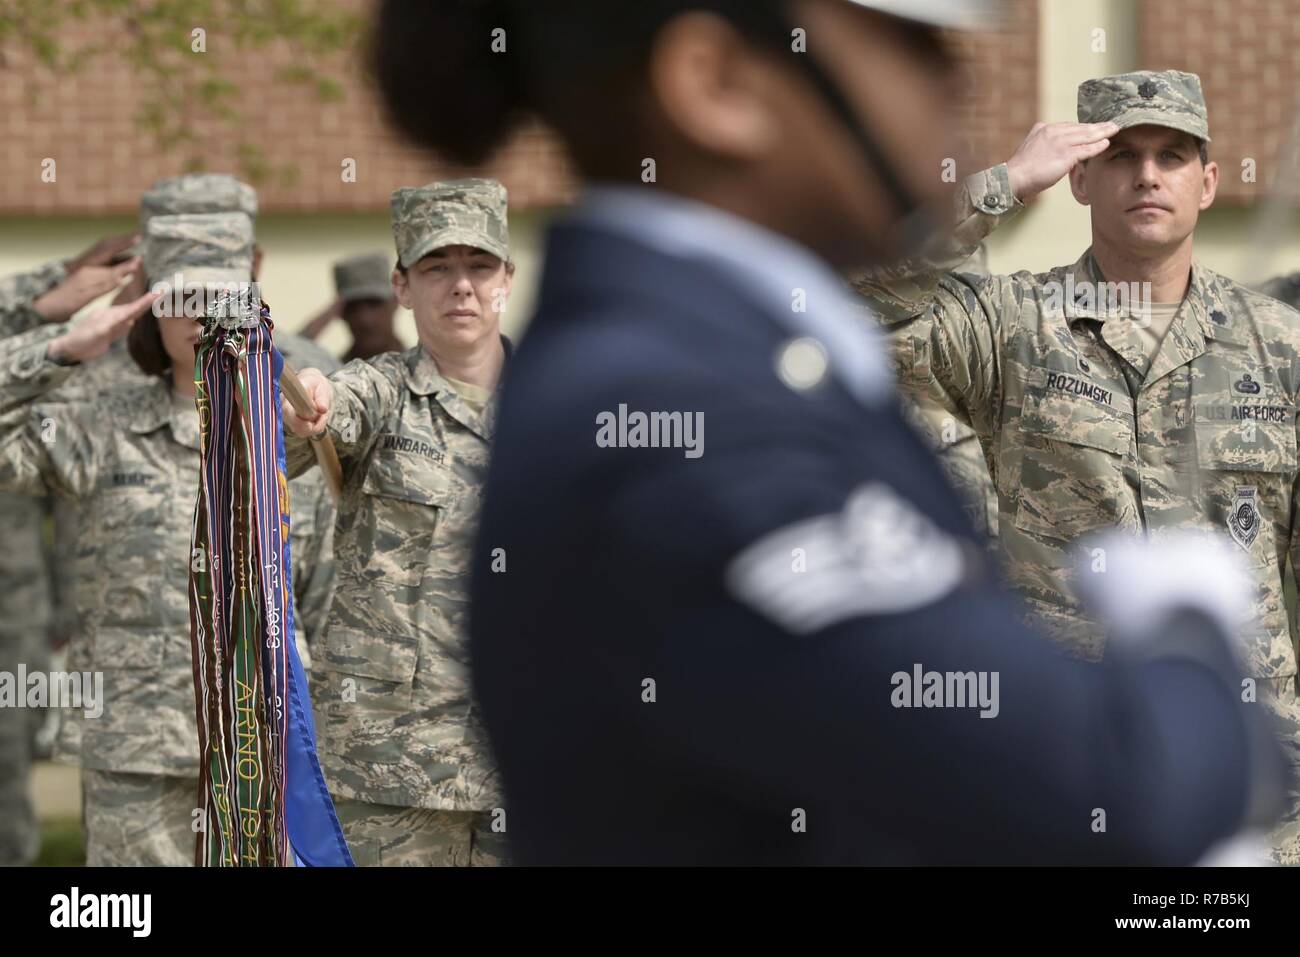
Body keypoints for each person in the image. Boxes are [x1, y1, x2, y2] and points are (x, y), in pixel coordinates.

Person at [362, 0, 1292, 865]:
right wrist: (1191, 636)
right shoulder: (691, 429)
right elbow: (1110, 783)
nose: (957, 80)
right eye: (915, 43)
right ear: (718, 83)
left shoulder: (710, 366)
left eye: (1174, 156)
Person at [853, 69, 1300, 862]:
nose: (1149, 175)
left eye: (1173, 154)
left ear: (1210, 180)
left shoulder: (1279, 343)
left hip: (1256, 790)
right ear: (1081, 177)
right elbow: (856, 304)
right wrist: (998, 188)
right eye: (1123, 154)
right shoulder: (1013, 324)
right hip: (1069, 770)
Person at [0, 212, 336, 866]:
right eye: (177, 292)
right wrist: (61, 349)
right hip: (137, 753)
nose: (198, 310)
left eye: (218, 292)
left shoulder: (291, 429)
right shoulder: (101, 426)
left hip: (260, 747)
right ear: (151, 308)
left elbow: (320, 593)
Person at [280, 180, 513, 867]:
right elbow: (326, 414)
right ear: (402, 287)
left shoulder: (559, 405)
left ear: (507, 278)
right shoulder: (379, 392)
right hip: (394, 775)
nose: (461, 287)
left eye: (479, 266)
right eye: (437, 268)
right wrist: (311, 401)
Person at [302, 253, 403, 361]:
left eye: (374, 303)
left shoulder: (419, 367)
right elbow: (287, 355)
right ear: (340, 312)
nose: (365, 319)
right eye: (352, 307)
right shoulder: (334, 373)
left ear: (396, 301)